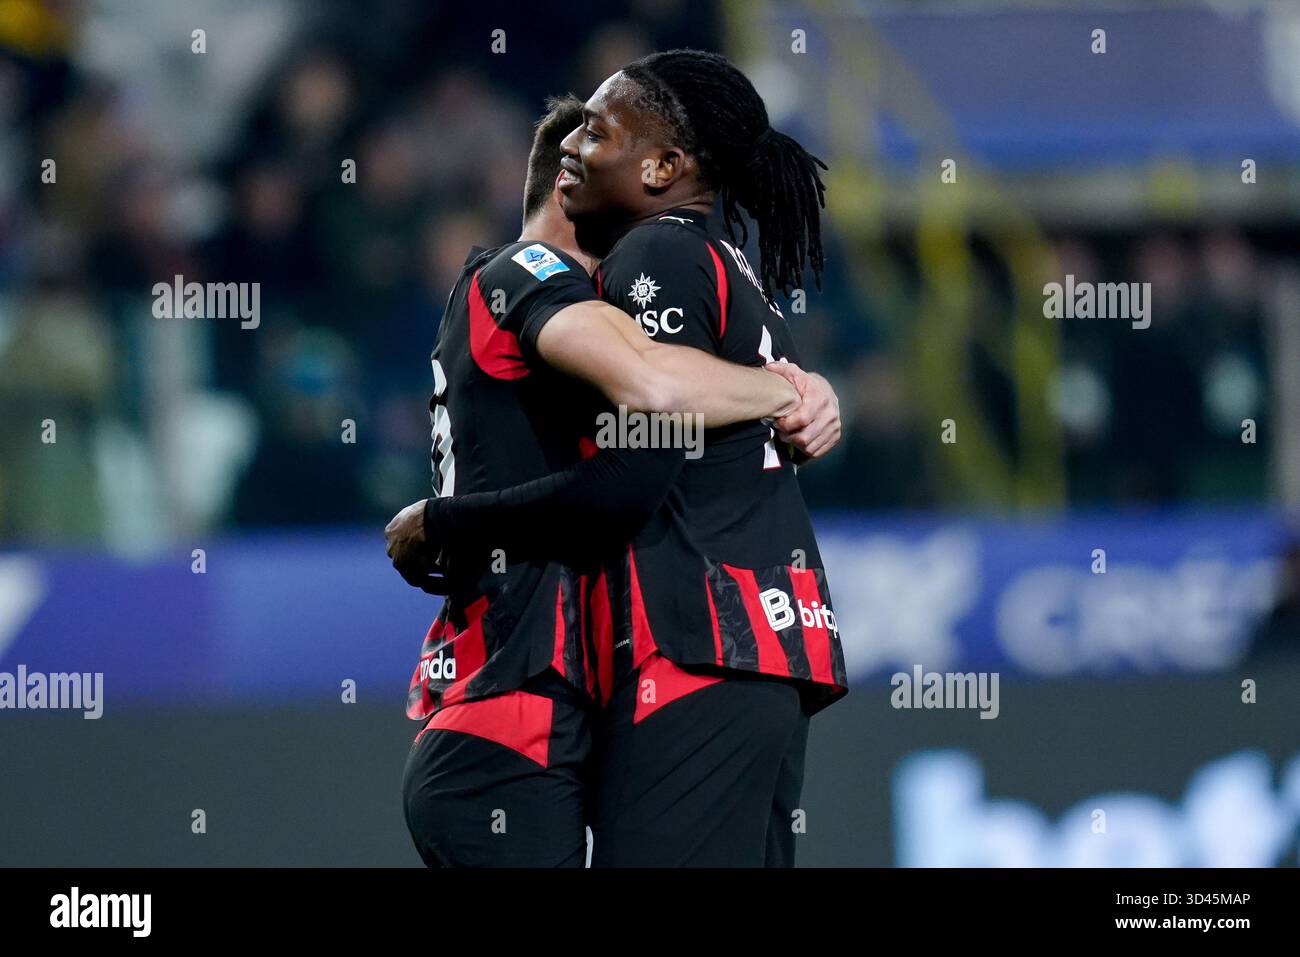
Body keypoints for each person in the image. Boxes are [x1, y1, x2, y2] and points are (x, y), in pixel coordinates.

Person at [411, 50, 848, 866]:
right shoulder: (737, 275)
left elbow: (629, 474)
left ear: (662, 165)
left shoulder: (653, 256)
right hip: (775, 646)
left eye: (600, 132)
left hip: (694, 645)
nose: (580, 145)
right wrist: (799, 391)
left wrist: (443, 521)